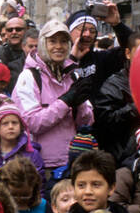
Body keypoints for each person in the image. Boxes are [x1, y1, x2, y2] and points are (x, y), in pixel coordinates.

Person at [14, 20, 94, 180]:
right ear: (43, 43)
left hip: (73, 163)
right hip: (42, 166)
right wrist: (66, 101)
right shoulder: (29, 77)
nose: (59, 46)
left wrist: (81, 104)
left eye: (64, 41)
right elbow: (32, 123)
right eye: (52, 41)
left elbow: (87, 122)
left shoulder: (73, 74)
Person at [0, 103, 43, 173]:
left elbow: (38, 179)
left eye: (14, 123)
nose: (10, 127)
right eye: (5, 123)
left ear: (21, 126)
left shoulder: (32, 153)